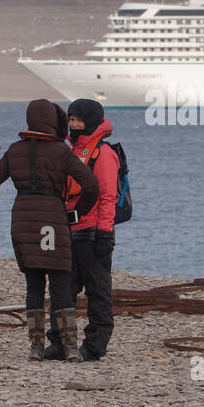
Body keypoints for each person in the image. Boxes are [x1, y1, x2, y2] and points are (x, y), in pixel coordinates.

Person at [0, 100, 98, 362]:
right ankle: (71, 348)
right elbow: (91, 185)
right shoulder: (60, 152)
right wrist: (77, 213)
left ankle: (36, 348)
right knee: (61, 281)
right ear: (53, 120)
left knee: (34, 284)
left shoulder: (15, 151)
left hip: (23, 221)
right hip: (53, 220)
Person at [48, 98, 119, 361]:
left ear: (91, 121)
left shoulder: (104, 154)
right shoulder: (70, 152)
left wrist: (104, 233)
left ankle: (94, 346)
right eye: (71, 119)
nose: (74, 125)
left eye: (79, 120)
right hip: (69, 231)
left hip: (93, 233)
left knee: (98, 291)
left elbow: (108, 197)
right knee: (63, 289)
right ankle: (60, 342)